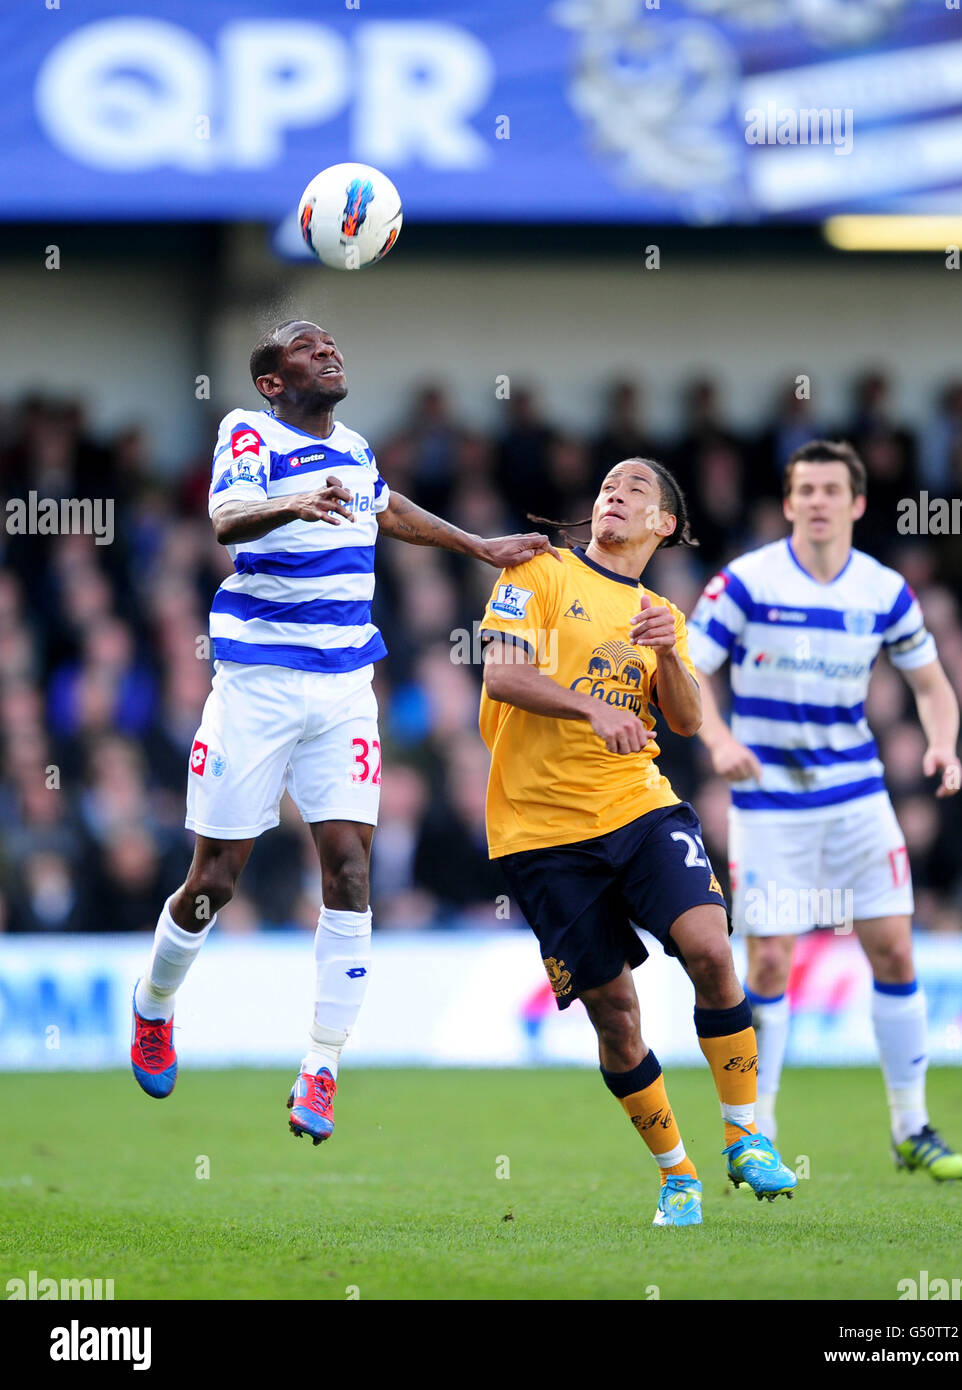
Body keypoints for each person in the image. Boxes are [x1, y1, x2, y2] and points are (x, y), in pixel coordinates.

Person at [130, 319, 555, 1143]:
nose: (327, 350)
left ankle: (321, 1069)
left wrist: (479, 547)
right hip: (255, 685)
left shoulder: (355, 449)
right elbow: (226, 517)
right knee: (215, 879)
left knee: (352, 871)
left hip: (344, 687)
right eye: (303, 346)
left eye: (331, 343)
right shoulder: (248, 431)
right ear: (271, 381)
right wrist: (294, 499)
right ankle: (153, 1004)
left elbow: (385, 507)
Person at [478, 456, 796, 1228]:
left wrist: (661, 654)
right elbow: (500, 676)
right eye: (607, 486)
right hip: (538, 832)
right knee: (615, 1015)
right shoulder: (540, 570)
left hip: (638, 805)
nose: (613, 494)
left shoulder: (661, 612)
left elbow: (684, 720)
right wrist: (591, 708)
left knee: (712, 949)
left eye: (635, 489)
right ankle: (676, 1174)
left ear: (663, 525)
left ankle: (745, 1135)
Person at [687, 439, 962, 1180]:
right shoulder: (745, 582)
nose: (816, 501)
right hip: (768, 802)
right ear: (786, 504)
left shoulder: (881, 591)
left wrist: (941, 746)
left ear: (856, 504)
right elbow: (684, 672)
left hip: (856, 797)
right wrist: (717, 741)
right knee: (772, 959)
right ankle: (758, 1131)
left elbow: (933, 685)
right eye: (803, 489)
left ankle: (911, 1127)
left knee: (895, 950)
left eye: (829, 490)